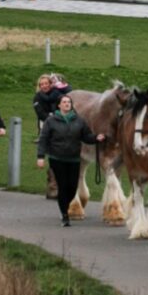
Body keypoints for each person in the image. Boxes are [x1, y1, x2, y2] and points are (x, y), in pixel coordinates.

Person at [36, 91, 103, 226]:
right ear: (59, 106)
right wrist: (41, 156)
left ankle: (66, 205)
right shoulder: (51, 121)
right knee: (63, 186)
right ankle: (65, 214)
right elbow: (43, 139)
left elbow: (86, 137)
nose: (67, 104)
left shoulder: (79, 121)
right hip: (57, 158)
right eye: (64, 103)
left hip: (73, 158)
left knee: (72, 187)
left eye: (69, 103)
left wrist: (96, 138)